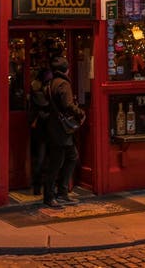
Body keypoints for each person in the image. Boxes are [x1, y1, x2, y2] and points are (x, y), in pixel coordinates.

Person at [43, 57, 84, 208]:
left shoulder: (50, 83)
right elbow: (67, 105)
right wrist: (80, 112)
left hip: (54, 127)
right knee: (57, 162)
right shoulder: (64, 83)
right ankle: (50, 196)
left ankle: (62, 192)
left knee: (71, 156)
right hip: (61, 130)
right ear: (66, 69)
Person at [28, 67, 52, 195]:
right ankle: (38, 186)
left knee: (43, 157)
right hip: (41, 130)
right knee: (41, 158)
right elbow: (44, 108)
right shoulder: (38, 91)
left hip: (43, 130)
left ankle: (43, 186)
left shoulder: (39, 89)